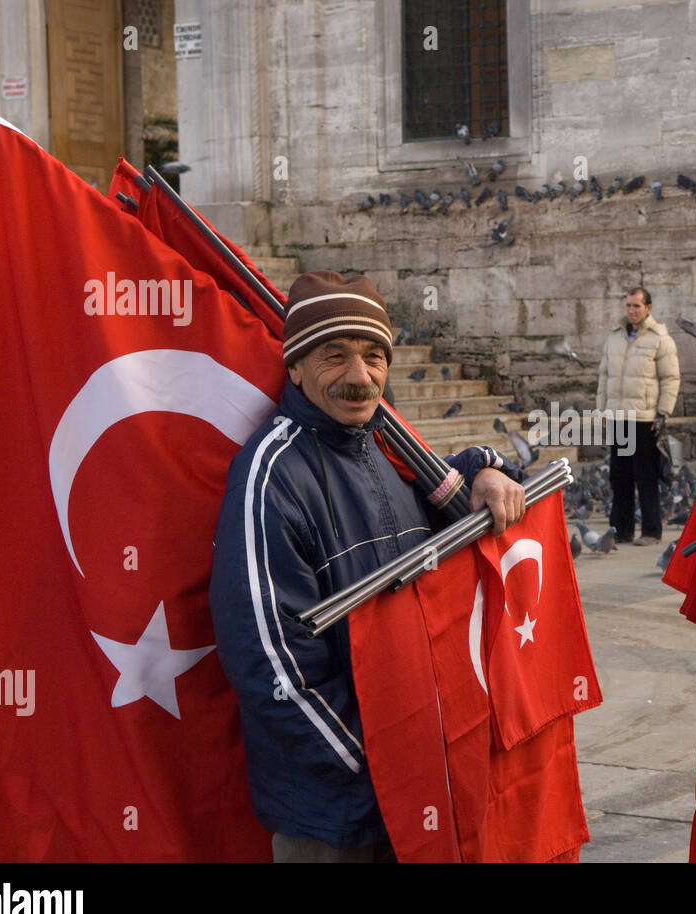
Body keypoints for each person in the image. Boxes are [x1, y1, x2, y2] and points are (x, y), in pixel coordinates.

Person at [209, 271, 526, 862]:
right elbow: (270, 664)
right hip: (339, 814)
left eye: (374, 355)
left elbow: (453, 520)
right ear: (295, 367)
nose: (359, 377)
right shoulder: (271, 475)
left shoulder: (388, 448)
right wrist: (375, 764)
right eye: (335, 356)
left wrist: (486, 466)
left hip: (419, 788)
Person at [595, 287, 680, 545]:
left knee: (646, 476)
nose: (631, 311)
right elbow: (604, 376)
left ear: (648, 308)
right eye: (628, 306)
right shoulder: (614, 337)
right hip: (618, 417)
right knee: (619, 476)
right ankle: (621, 530)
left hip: (643, 418)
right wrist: (602, 410)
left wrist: (663, 412)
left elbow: (670, 378)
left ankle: (651, 531)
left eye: (636, 306)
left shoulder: (660, 338)